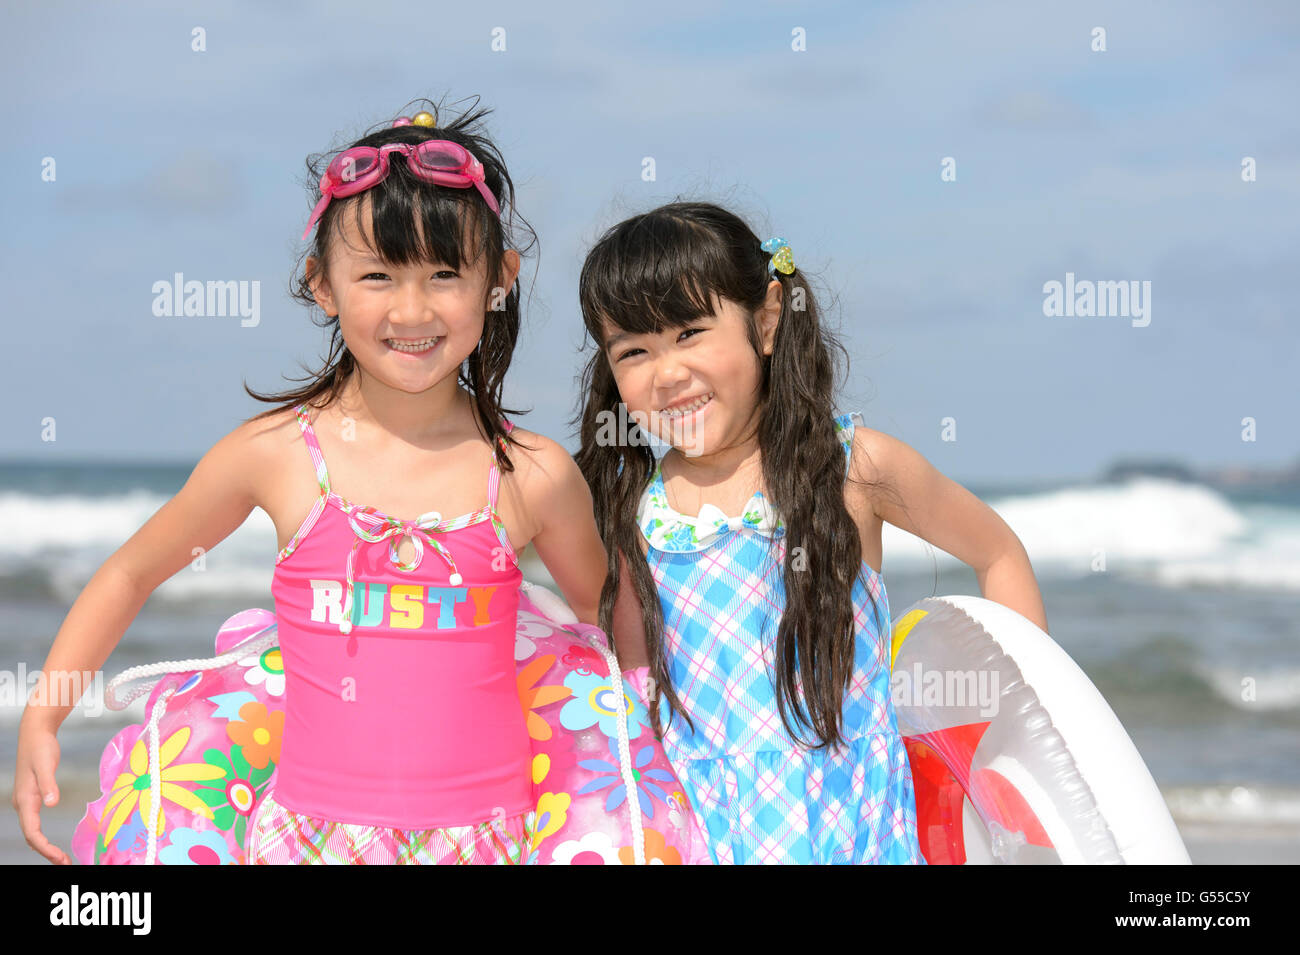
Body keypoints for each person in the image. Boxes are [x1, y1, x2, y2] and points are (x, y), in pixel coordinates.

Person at [14, 99, 611, 865]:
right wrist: (44, 713)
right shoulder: (277, 453)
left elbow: (609, 623)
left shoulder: (530, 474)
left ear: (498, 278)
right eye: (376, 275)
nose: (411, 308)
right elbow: (132, 570)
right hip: (305, 843)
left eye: (444, 274)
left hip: (488, 841)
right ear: (321, 284)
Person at [573, 201, 1049, 864]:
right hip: (695, 837)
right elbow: (631, 693)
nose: (667, 372)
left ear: (766, 320)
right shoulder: (632, 513)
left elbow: (998, 551)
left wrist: (1017, 745)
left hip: (852, 833)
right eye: (634, 350)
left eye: (689, 332)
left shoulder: (854, 469)